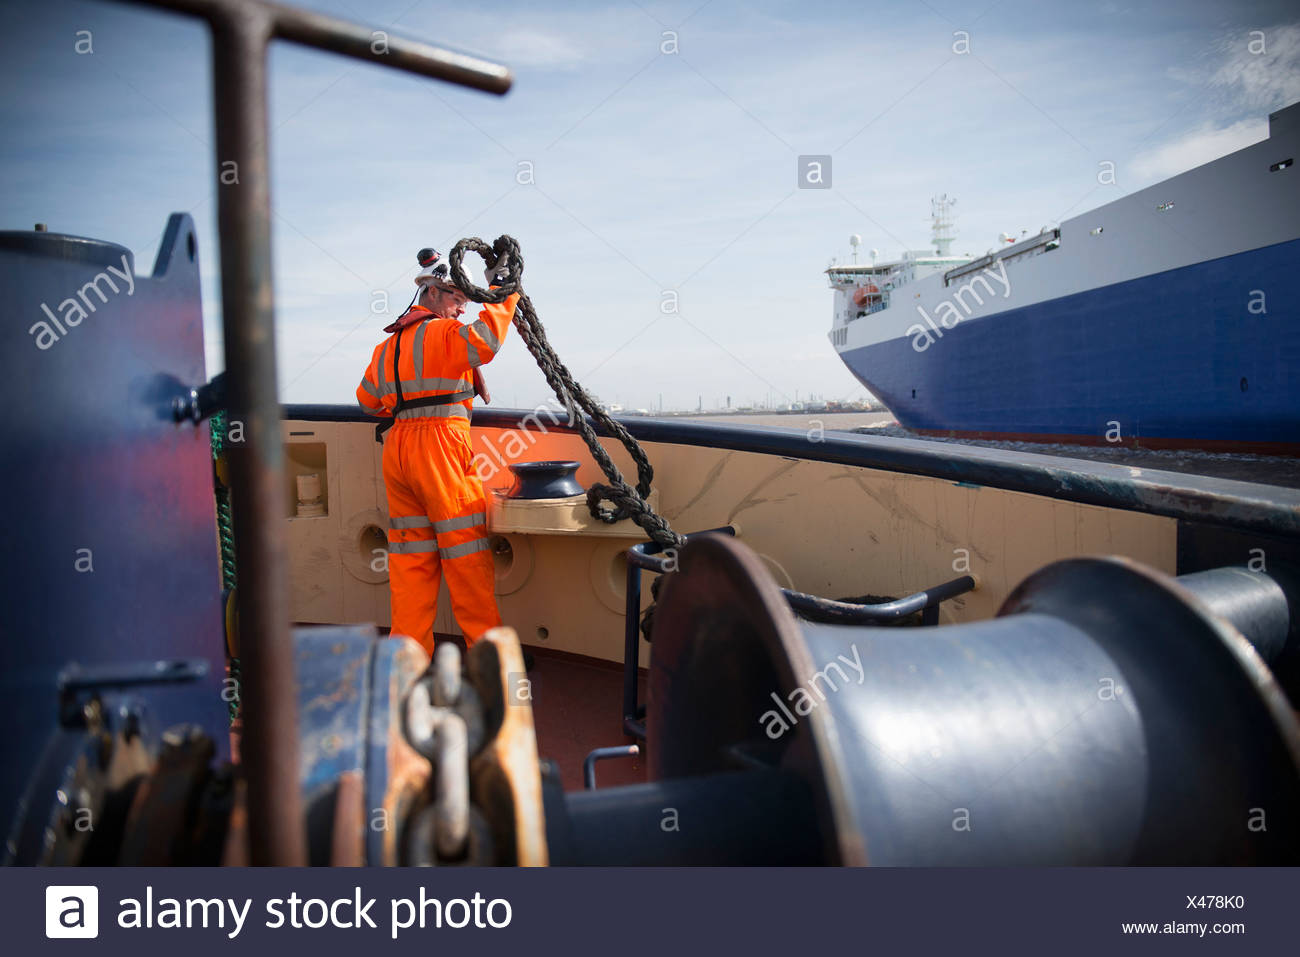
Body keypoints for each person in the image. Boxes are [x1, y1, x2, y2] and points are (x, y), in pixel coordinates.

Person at [357, 247, 519, 655]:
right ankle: (489, 662)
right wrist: (504, 290)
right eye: (456, 297)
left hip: (398, 453)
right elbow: (486, 340)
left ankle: (407, 666)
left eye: (465, 300)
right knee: (466, 559)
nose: (462, 307)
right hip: (441, 452)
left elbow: (366, 401)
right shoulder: (442, 335)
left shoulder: (386, 349)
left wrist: (408, 403)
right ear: (430, 292)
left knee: (411, 566)